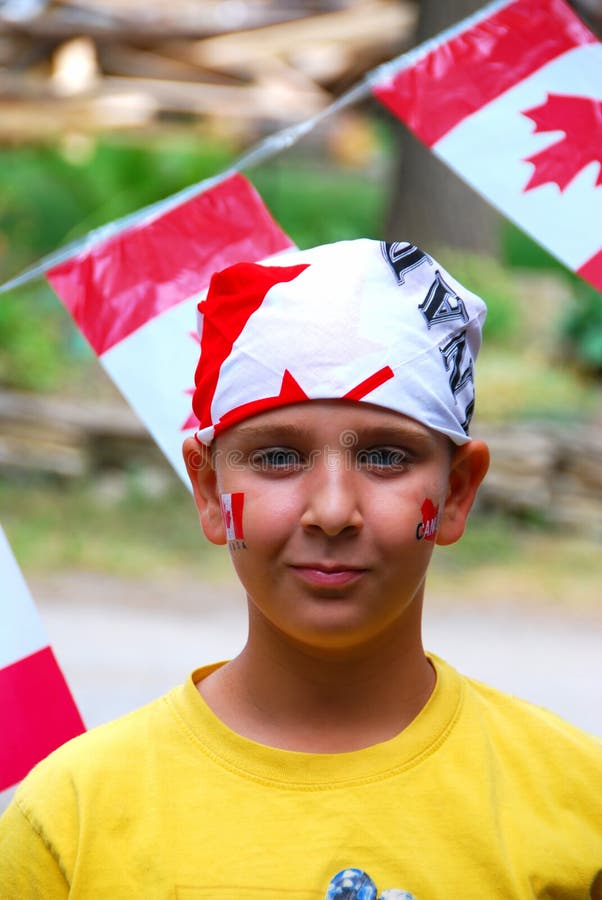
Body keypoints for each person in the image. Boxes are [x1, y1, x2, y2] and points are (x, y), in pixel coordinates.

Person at [1, 239, 600, 899]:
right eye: (279, 458)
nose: (334, 511)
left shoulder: (579, 804)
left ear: (456, 492)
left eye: (386, 457)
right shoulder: (74, 820)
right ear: (209, 492)